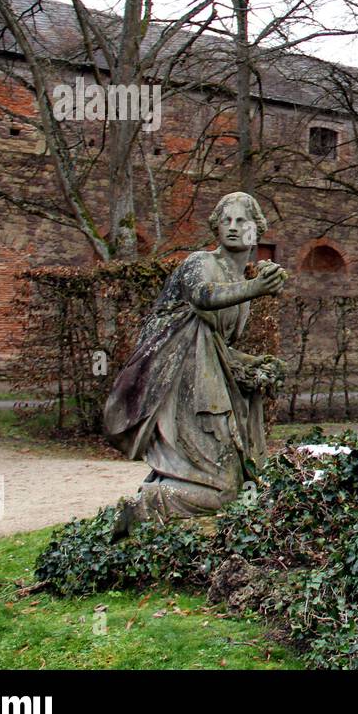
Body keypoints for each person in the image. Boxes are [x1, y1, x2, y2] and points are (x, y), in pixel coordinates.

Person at [104, 192, 287, 539]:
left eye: (242, 221)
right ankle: (149, 505)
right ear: (216, 227)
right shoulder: (200, 262)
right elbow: (202, 297)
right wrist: (256, 287)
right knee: (224, 486)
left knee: (229, 481)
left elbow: (222, 345)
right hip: (182, 382)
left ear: (256, 231)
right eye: (226, 221)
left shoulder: (240, 284)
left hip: (208, 378)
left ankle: (159, 498)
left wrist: (259, 366)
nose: (233, 228)